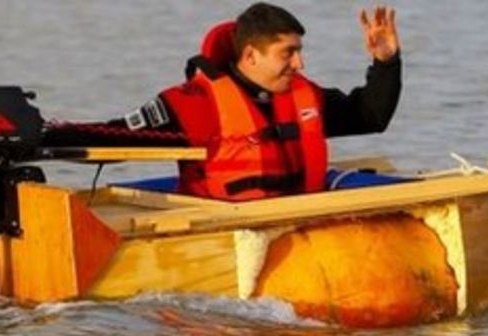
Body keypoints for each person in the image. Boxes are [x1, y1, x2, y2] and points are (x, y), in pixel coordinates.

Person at [46, 3, 401, 201]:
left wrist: (386, 62)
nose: (299, 64)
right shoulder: (195, 104)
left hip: (297, 220)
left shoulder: (302, 96)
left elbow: (369, 116)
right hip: (228, 227)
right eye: (288, 53)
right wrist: (36, 135)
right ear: (250, 55)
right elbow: (113, 137)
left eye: (299, 52)